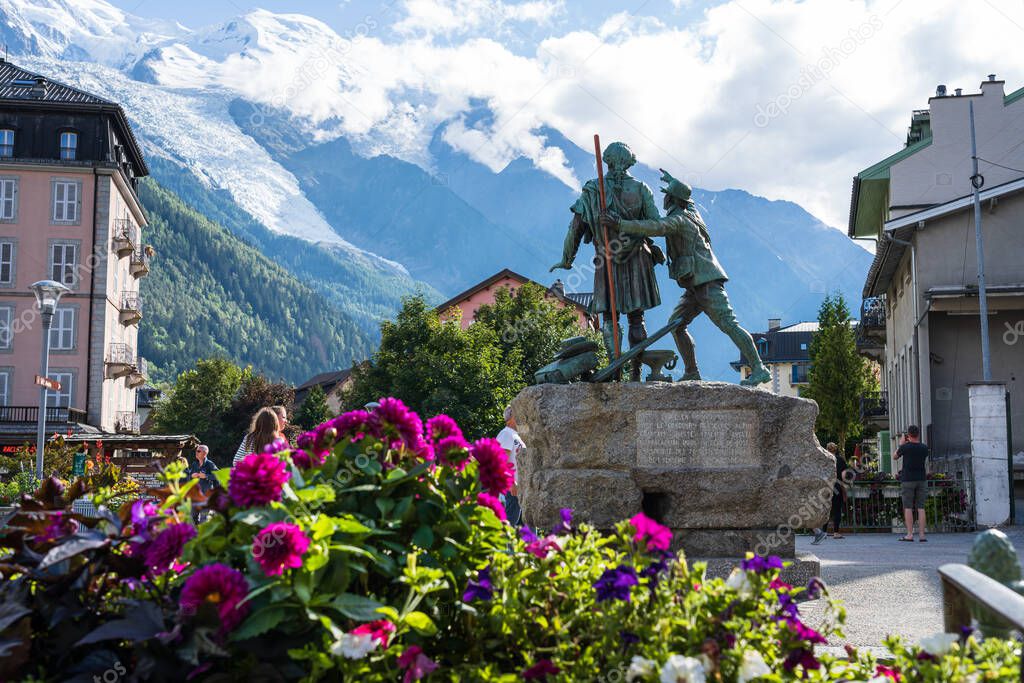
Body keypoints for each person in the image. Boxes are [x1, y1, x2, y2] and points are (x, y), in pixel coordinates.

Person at [601, 170, 770, 385]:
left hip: (705, 283)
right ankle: (692, 371)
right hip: (694, 287)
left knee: (729, 324)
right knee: (676, 325)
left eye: (667, 194)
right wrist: (675, 184)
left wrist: (620, 224)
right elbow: (688, 202)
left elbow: (654, 227)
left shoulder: (678, 220)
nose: (664, 197)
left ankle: (759, 368)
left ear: (671, 199)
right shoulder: (692, 213)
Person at [551, 141, 663, 377]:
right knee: (636, 315)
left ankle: (615, 370)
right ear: (630, 161)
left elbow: (575, 229)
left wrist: (566, 259)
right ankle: (635, 371)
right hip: (638, 257)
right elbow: (656, 226)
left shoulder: (593, 190)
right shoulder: (641, 189)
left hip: (607, 258)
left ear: (608, 161)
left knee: (609, 317)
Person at [896, 424, 929, 542]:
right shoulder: (924, 448)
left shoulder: (905, 447)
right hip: (921, 478)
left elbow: (895, 456)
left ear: (908, 435)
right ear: (918, 434)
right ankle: (922, 535)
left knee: (908, 507)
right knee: (921, 507)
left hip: (908, 479)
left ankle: (910, 534)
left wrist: (901, 445)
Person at [812, 443, 850, 544]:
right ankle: (836, 532)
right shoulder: (840, 460)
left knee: (826, 509)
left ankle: (823, 531)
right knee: (837, 509)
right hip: (837, 487)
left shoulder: (823, 459)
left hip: (825, 488)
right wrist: (845, 490)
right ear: (836, 449)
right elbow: (844, 476)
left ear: (826, 449)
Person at [496, 405, 526, 526]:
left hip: (521, 488)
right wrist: (511, 483)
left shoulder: (516, 435)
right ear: (512, 417)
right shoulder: (506, 434)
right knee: (508, 525)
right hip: (512, 489)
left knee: (526, 526)